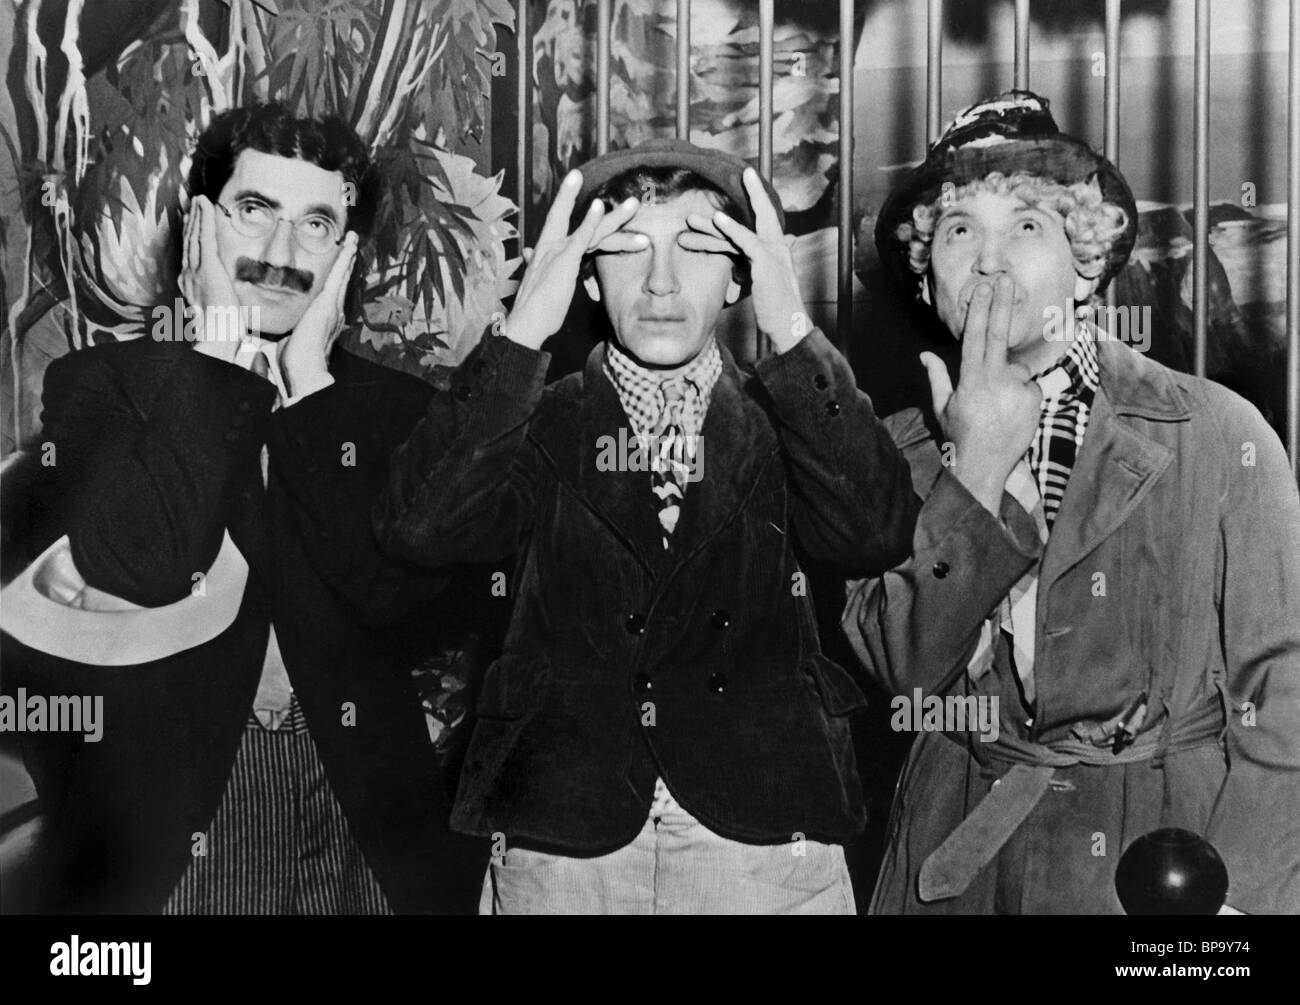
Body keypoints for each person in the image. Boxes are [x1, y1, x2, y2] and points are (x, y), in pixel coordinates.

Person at [373, 137, 919, 914]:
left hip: (762, 835)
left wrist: (793, 329)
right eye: (627, 250)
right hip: (564, 833)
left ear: (741, 275)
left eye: (697, 248)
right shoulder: (536, 418)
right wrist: (523, 329)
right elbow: (419, 528)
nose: (661, 283)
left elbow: (876, 530)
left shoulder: (790, 416)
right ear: (588, 275)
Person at [6, 102, 481, 914]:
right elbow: (144, 563)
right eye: (255, 211)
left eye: (317, 224)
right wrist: (223, 350)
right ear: (200, 224)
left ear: (346, 253)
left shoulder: (390, 410)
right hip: (184, 813)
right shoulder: (105, 390)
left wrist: (311, 390)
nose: (280, 254)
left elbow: (390, 600)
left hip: (363, 813)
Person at [842, 90, 1300, 914]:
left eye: (1025, 225)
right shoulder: (879, 453)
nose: (988, 261)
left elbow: (1286, 684)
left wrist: (1240, 900)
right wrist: (974, 474)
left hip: (1160, 861)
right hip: (953, 859)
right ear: (926, 276)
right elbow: (900, 668)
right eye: (957, 231)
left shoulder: (1220, 432)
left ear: (1087, 260)